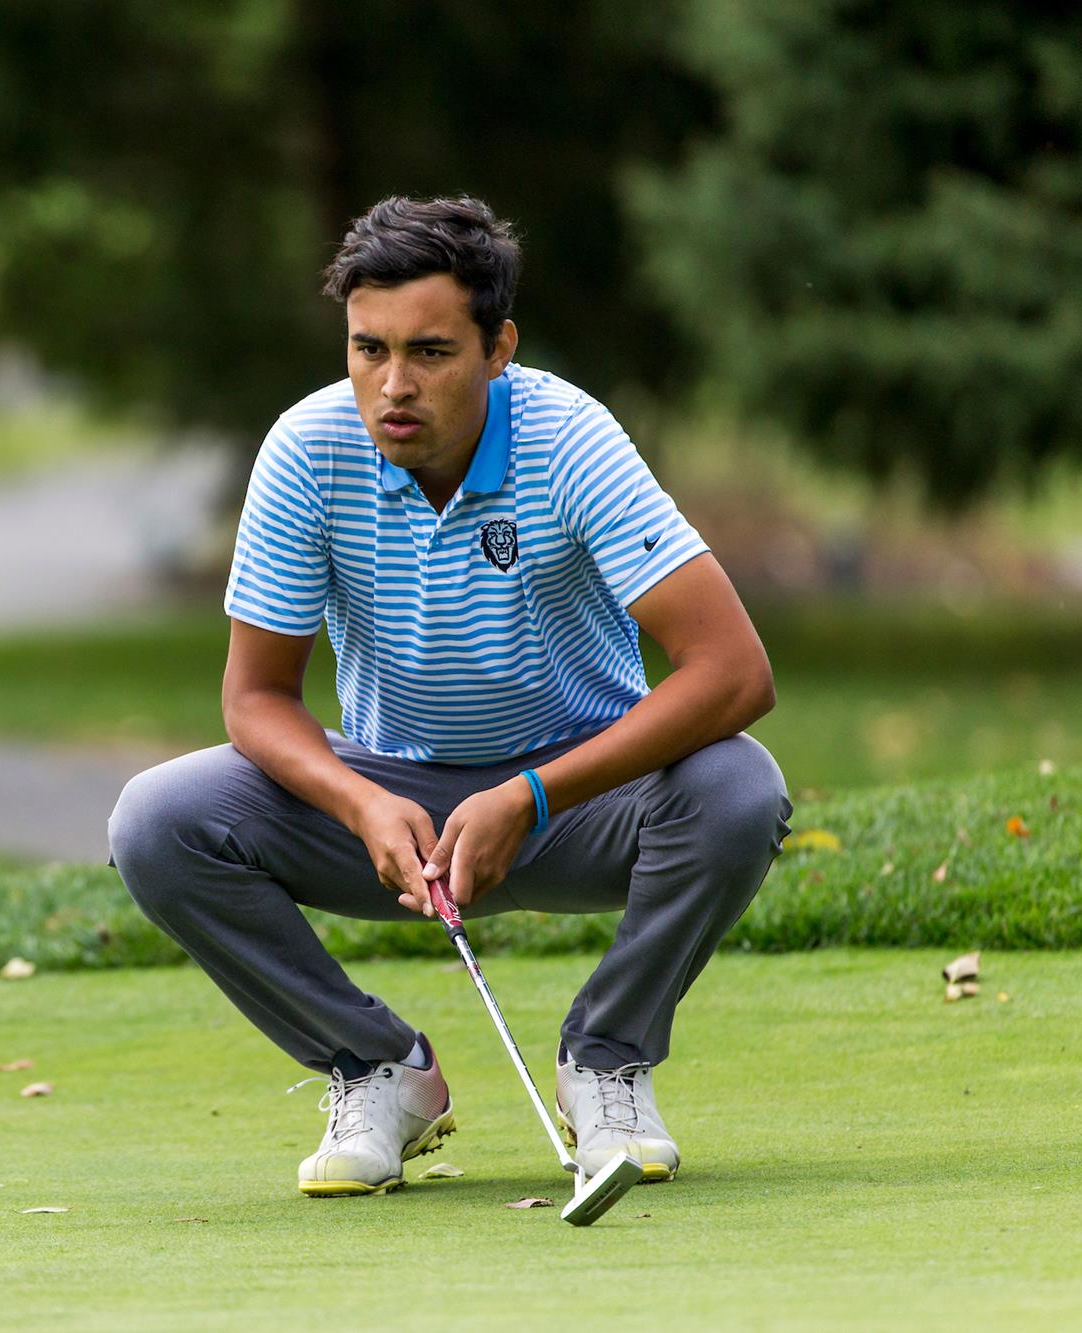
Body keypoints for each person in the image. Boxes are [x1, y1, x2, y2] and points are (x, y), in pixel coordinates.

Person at [107, 195, 791, 1197]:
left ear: (497, 346)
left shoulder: (569, 439)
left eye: (428, 351)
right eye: (366, 349)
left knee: (737, 787)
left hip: (582, 797)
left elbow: (733, 671)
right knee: (157, 819)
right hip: (394, 814)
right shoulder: (305, 450)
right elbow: (254, 699)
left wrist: (532, 796)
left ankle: (605, 1059)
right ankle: (377, 1067)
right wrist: (357, 799)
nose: (391, 385)